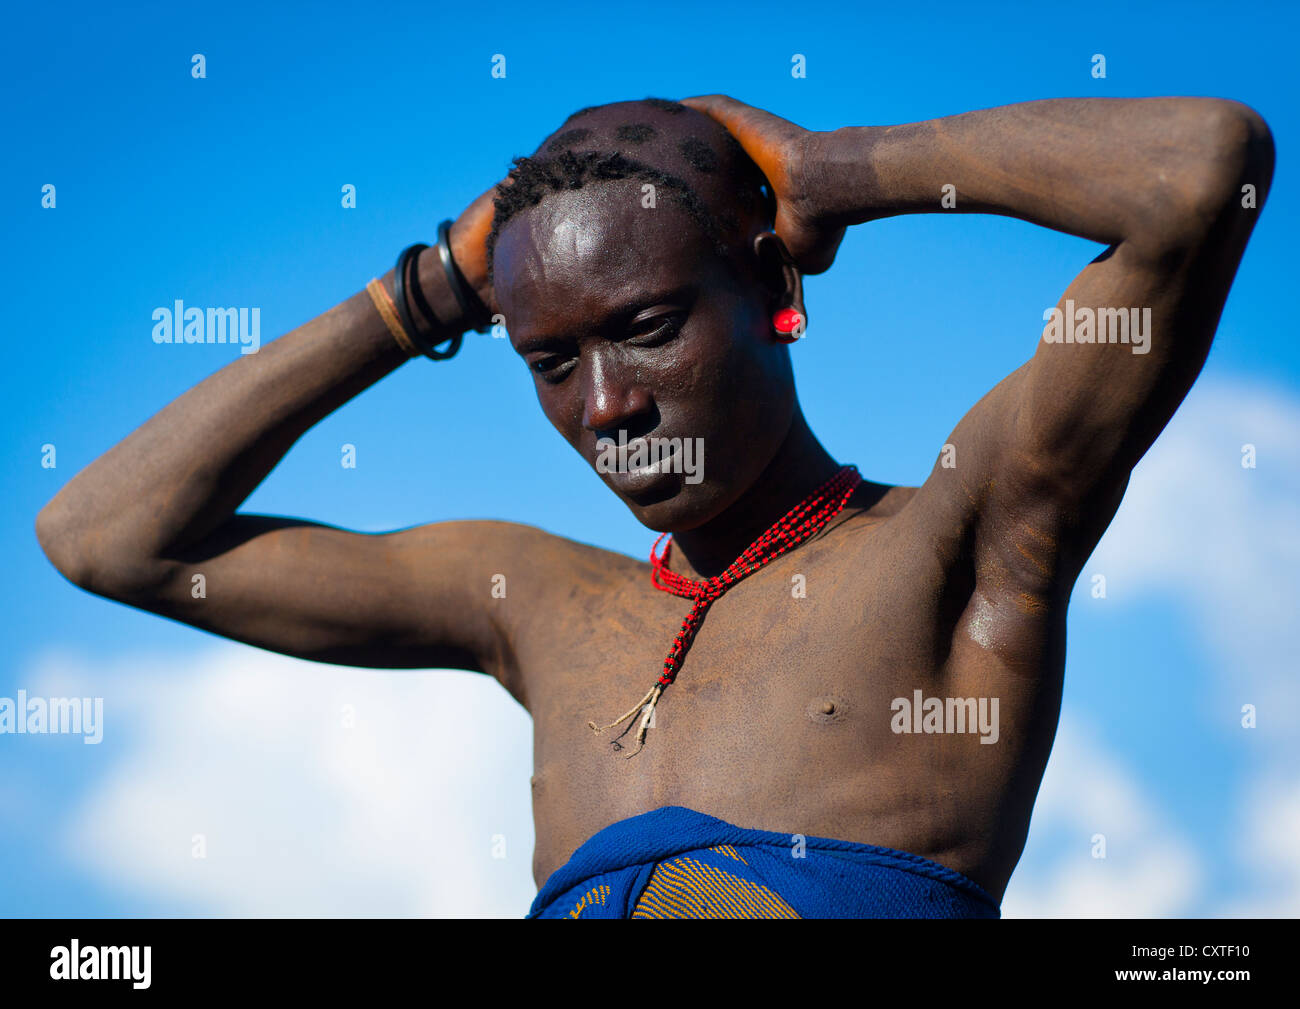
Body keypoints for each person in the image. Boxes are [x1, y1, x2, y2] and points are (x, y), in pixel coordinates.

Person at [35, 94, 1273, 918]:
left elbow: (1199, 170)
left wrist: (833, 172)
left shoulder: (962, 534)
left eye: (645, 328)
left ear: (771, 283)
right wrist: (425, 296)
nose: (605, 403)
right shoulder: (532, 604)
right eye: (550, 361)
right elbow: (105, 536)